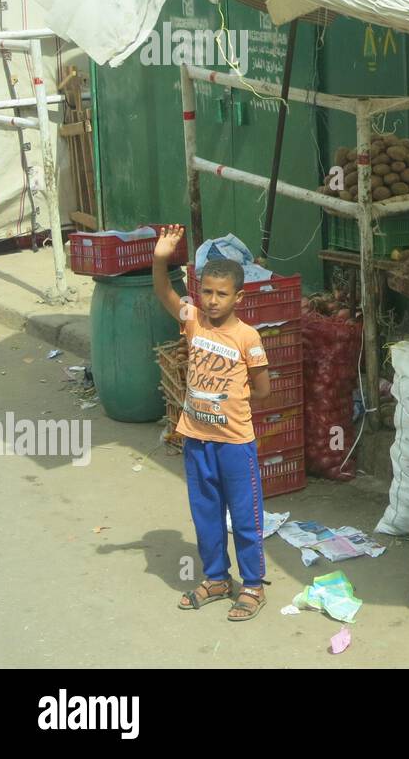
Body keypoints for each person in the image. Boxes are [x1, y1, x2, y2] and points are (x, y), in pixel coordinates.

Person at [152, 225, 272, 622]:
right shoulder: (193, 322)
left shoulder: (248, 337)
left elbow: (263, 389)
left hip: (235, 444)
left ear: (239, 296)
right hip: (196, 440)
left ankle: (253, 585)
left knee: (245, 516)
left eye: (222, 294)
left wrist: (230, 404)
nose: (213, 300)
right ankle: (217, 579)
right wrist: (160, 259)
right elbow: (164, 294)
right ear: (198, 290)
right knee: (205, 514)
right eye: (206, 291)